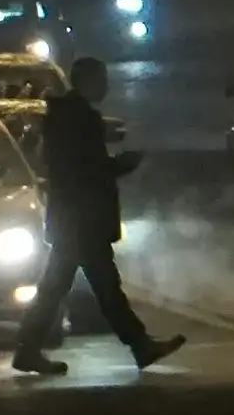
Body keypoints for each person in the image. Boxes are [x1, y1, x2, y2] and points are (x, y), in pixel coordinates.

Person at [14, 78, 174, 378]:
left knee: (63, 287)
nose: (105, 87)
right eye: (98, 78)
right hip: (83, 221)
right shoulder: (80, 119)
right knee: (101, 287)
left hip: (71, 221)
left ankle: (28, 348)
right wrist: (122, 165)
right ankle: (139, 345)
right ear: (87, 81)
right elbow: (89, 170)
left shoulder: (63, 117)